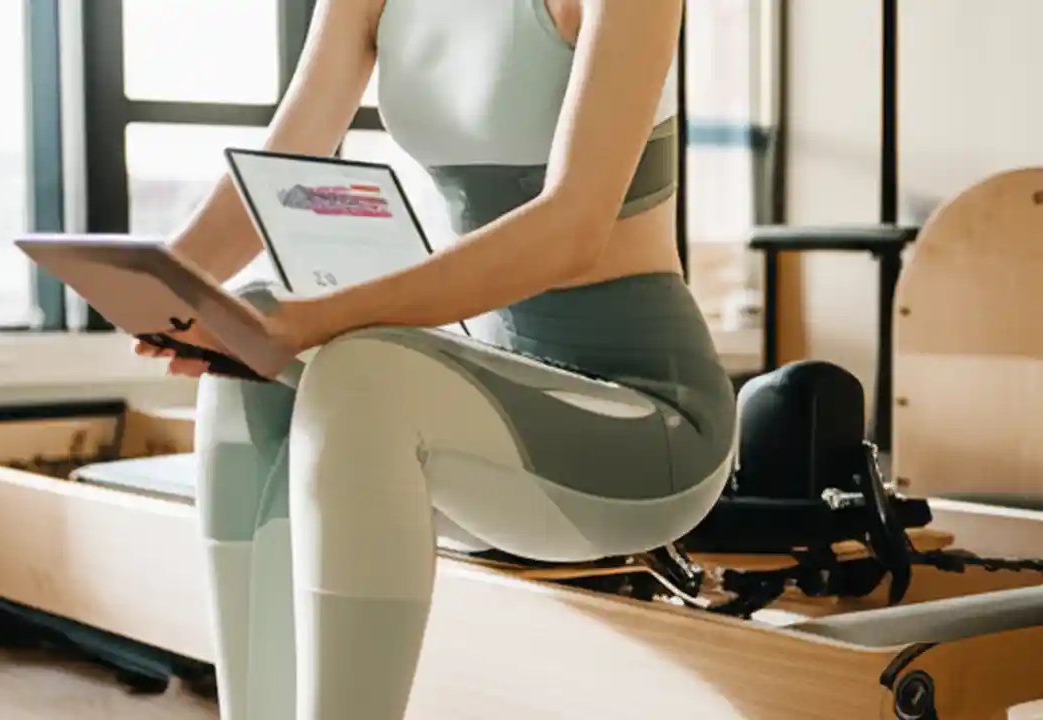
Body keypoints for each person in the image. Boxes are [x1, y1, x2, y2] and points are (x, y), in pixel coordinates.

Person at [134, 1, 735, 718]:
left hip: (649, 420)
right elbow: (278, 171)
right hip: (495, 408)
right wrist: (161, 290)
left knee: (361, 374)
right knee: (250, 362)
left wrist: (316, 318)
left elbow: (570, 228)